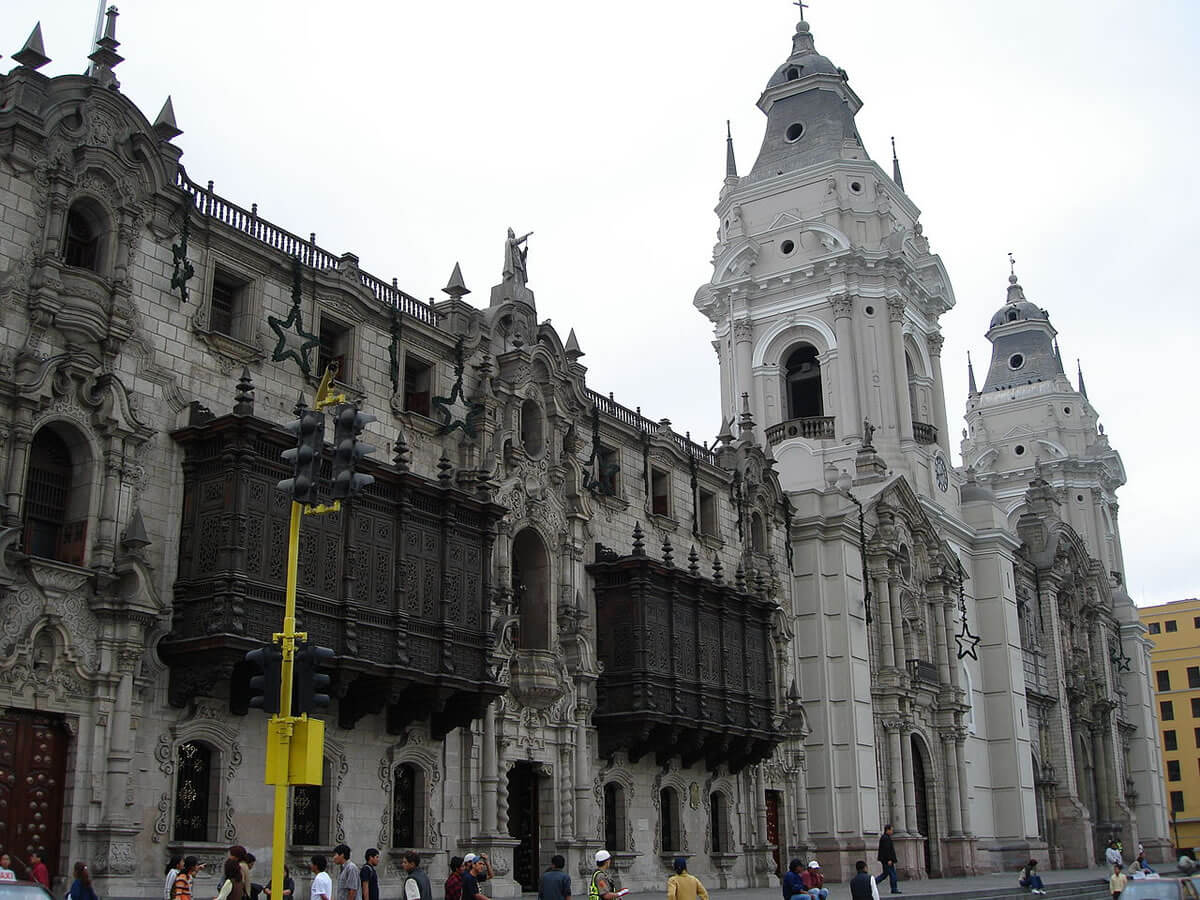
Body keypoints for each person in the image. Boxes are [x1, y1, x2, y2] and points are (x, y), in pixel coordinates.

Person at [876, 824, 900, 894]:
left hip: (885, 860)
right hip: (887, 860)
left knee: (885, 874)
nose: (892, 832)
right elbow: (887, 850)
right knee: (892, 874)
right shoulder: (885, 838)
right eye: (891, 830)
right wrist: (889, 859)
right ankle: (894, 888)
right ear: (888, 830)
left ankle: (873, 883)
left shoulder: (885, 837)